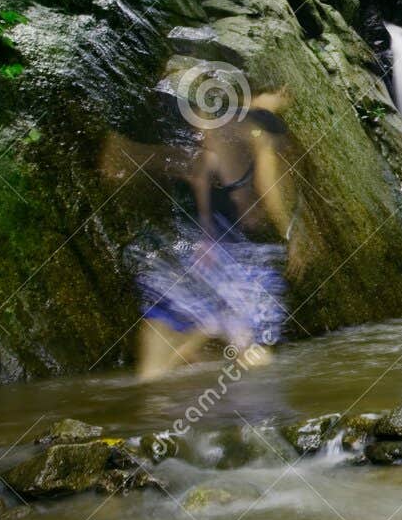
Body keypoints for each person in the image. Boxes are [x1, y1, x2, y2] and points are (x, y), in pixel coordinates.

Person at [101, 63, 298, 378]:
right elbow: (268, 189)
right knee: (255, 352)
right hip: (231, 255)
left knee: (155, 365)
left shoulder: (207, 126)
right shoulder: (255, 134)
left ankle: (157, 387)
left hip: (177, 249)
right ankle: (209, 339)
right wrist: (291, 232)